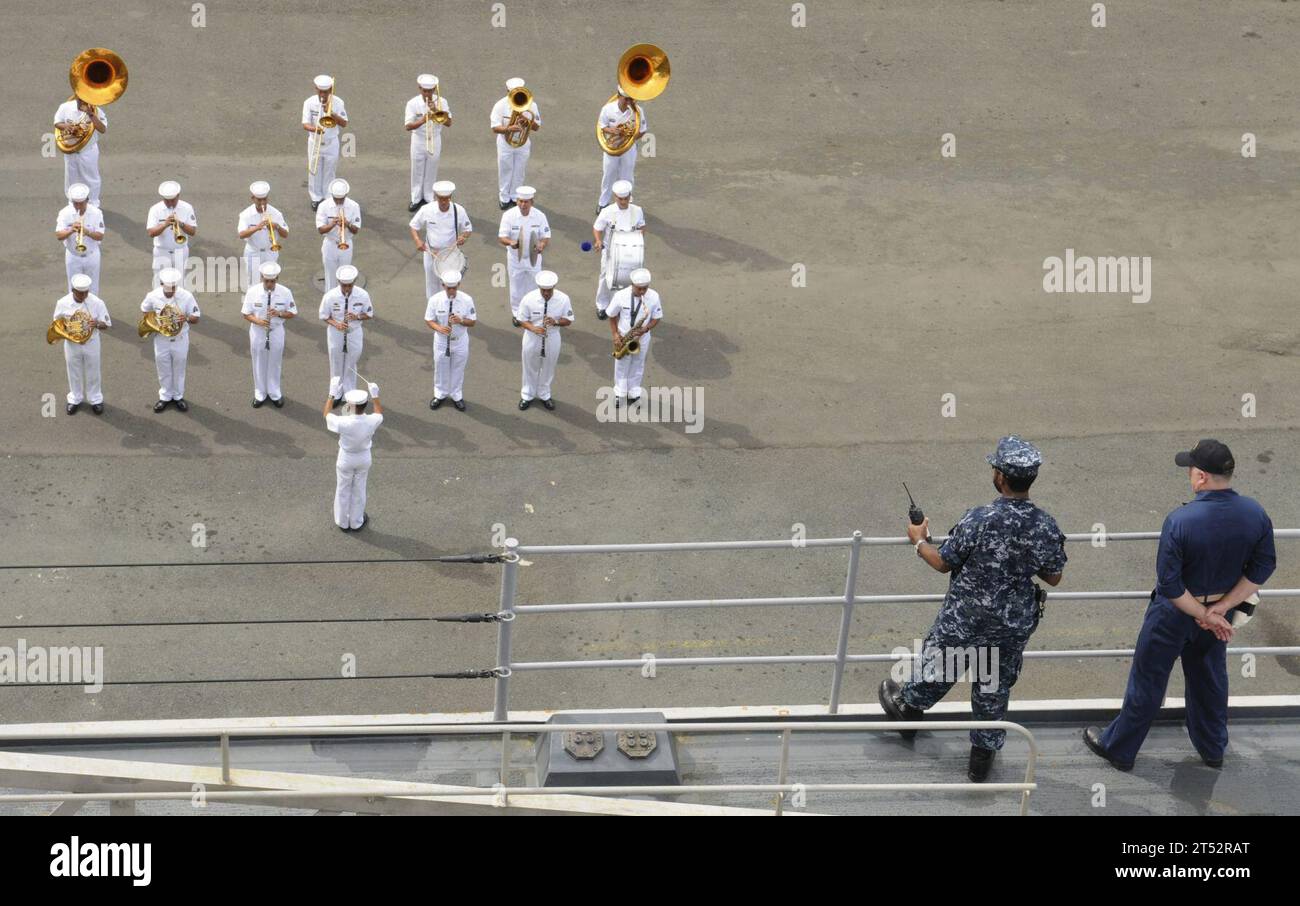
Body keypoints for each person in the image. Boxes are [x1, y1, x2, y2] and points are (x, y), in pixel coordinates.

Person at [879, 436, 1067, 782]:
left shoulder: (979, 518)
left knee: (944, 665)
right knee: (993, 682)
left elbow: (943, 562)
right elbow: (1053, 576)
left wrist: (919, 540)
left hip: (967, 618)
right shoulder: (1045, 524)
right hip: (1012, 623)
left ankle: (909, 707)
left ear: (1000, 477)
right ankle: (982, 756)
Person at [1084, 440, 1276, 771]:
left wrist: (1202, 612)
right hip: (1221, 615)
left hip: (1174, 614)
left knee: (1149, 679)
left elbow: (1170, 584)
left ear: (1200, 477)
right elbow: (1262, 568)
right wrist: (1219, 611)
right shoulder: (1255, 513)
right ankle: (1213, 748)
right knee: (1209, 679)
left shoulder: (1181, 520)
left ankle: (1120, 749)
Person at [324, 382, 383, 532]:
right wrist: (375, 396)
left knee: (343, 489)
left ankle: (342, 522)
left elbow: (327, 415)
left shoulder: (343, 422)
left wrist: (331, 394)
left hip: (346, 458)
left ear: (350, 405)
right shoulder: (371, 420)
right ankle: (356, 522)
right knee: (359, 488)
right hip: (363, 458)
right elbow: (379, 413)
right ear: (364, 405)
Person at [140, 267, 200, 412]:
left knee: (179, 369)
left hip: (180, 339)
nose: (171, 292)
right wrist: (156, 321)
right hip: (161, 339)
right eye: (168, 289)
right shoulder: (152, 295)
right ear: (161, 284)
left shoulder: (186, 296)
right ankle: (165, 396)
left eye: (173, 288)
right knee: (163, 368)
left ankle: (178, 396)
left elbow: (196, 316)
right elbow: (144, 309)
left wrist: (185, 317)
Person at [52, 273, 111, 415]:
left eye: (86, 293)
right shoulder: (62, 303)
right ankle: (75, 398)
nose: (84, 296)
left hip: (91, 343)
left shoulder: (97, 302)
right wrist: (69, 327)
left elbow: (107, 324)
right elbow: (56, 324)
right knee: (73, 371)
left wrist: (97, 323)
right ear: (73, 290)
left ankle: (95, 399)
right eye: (80, 293)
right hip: (72, 344)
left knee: (93, 371)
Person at [240, 261, 297, 408]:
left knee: (275, 362)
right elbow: (246, 313)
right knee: (258, 362)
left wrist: (279, 313)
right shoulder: (253, 292)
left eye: (272, 281)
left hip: (276, 331)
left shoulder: (285, 292)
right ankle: (259, 393)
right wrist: (258, 321)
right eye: (266, 281)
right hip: (258, 331)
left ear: (277, 279)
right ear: (261, 278)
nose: (269, 284)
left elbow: (292, 313)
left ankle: (275, 392)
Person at [605, 267, 662, 407]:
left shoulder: (653, 296)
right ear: (632, 285)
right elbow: (611, 316)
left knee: (638, 364)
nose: (642, 292)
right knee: (622, 365)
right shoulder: (620, 295)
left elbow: (656, 317)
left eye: (645, 288)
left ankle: (634, 392)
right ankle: (620, 392)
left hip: (642, 338)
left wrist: (646, 328)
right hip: (624, 336)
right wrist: (615, 335)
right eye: (639, 288)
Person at [517, 270, 573, 410]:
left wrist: (556, 322)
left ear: (553, 287)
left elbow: (568, 320)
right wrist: (533, 328)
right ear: (539, 287)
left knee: (549, 366)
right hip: (532, 337)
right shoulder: (528, 298)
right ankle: (527, 394)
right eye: (543, 290)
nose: (546, 293)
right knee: (529, 366)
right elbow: (521, 319)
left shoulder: (563, 299)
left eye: (549, 290)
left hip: (552, 337)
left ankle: (544, 394)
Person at [319, 265, 373, 406]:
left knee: (351, 363)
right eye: (344, 286)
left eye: (349, 285)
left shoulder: (362, 295)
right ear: (339, 282)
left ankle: (349, 392)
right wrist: (335, 324)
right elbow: (324, 316)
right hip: (336, 333)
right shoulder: (330, 296)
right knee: (336, 362)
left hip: (354, 332)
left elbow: (369, 314)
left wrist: (357, 316)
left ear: (354, 282)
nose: (347, 289)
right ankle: (336, 393)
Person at [409, 180, 471, 303]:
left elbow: (468, 229)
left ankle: (450, 309)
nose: (443, 202)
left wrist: (464, 237)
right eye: (441, 199)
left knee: (449, 284)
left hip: (451, 254)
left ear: (450, 197)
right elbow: (413, 225)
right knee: (431, 284)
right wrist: (417, 240)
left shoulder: (458, 210)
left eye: (446, 199)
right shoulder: (426, 209)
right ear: (436, 197)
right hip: (431, 253)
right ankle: (433, 310)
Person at [591, 179, 645, 319]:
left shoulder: (637, 211)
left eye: (626, 199)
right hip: (610, 251)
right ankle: (602, 305)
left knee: (627, 279)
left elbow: (641, 227)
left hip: (631, 251)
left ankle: (621, 306)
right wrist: (598, 241)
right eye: (620, 199)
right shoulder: (607, 211)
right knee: (605, 278)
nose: (623, 201)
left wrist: (637, 241)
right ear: (615, 197)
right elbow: (597, 228)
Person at [497, 185, 550, 324]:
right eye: (520, 201)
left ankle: (533, 313)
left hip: (534, 257)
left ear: (532, 202)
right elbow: (502, 237)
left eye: (526, 202)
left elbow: (546, 236)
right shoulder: (509, 215)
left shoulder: (539, 216)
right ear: (516, 201)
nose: (523, 204)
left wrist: (542, 245)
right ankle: (517, 314)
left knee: (535, 285)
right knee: (516, 287)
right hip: (515, 259)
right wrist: (510, 242)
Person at [424, 269, 475, 411]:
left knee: (458, 368)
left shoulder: (467, 300)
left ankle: (456, 395)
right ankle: (440, 394)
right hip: (441, 341)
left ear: (459, 285)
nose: (451, 291)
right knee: (441, 368)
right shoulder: (435, 300)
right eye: (448, 288)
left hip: (460, 341)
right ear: (443, 285)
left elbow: (472, 322)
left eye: (454, 287)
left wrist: (461, 321)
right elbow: (429, 319)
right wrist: (439, 328)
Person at [490, 77, 540, 210]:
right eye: (513, 92)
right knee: (505, 169)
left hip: (522, 143)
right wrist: (508, 129)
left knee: (519, 170)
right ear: (507, 91)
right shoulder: (500, 105)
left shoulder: (531, 105)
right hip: (505, 143)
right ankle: (504, 197)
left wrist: (526, 121)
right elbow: (495, 128)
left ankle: (515, 196)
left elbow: (536, 127)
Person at [405, 74, 452, 212]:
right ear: (419, 89)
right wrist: (422, 120)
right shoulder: (412, 103)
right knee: (417, 169)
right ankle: (416, 198)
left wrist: (436, 111)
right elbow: (408, 126)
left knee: (432, 167)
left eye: (430, 91)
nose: (427, 94)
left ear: (434, 90)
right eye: (424, 91)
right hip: (419, 139)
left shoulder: (442, 102)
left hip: (435, 138)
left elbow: (449, 123)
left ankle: (428, 197)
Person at [596, 86, 647, 212]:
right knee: (608, 175)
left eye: (631, 99)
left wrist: (629, 136)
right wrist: (611, 130)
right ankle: (603, 203)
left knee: (627, 176)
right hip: (611, 147)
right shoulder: (607, 109)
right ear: (619, 96)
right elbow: (602, 126)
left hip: (628, 149)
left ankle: (627, 202)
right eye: (626, 99)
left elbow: (642, 131)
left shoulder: (638, 111)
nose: (629, 102)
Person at [304, 74, 348, 210]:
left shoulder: (338, 102)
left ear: (331, 90)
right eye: (320, 91)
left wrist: (332, 114)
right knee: (314, 170)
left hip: (331, 142)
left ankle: (328, 196)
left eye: (326, 91)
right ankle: (315, 197)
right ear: (316, 89)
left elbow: (344, 123)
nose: (323, 94)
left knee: (330, 170)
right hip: (315, 142)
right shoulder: (309, 102)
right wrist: (315, 129)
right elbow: (305, 124)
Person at [54, 93, 107, 206]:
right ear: (76, 97)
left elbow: (102, 129)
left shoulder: (96, 111)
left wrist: (91, 115)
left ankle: (93, 203)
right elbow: (57, 122)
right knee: (71, 178)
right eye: (80, 99)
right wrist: (68, 127)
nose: (83, 101)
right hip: (71, 150)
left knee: (91, 178)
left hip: (88, 151)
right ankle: (72, 202)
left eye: (85, 99)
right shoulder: (65, 107)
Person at [237, 181, 288, 290]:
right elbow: (241, 234)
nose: (262, 203)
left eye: (265, 199)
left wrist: (277, 227)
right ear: (253, 199)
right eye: (259, 200)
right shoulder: (246, 214)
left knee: (271, 282)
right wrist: (256, 228)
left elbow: (285, 234)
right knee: (253, 284)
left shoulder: (275, 213)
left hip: (270, 251)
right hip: (253, 252)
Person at [55, 183, 104, 294]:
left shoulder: (96, 213)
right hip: (73, 256)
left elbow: (100, 235)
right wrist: (71, 230)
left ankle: (91, 311)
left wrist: (87, 232)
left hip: (92, 255)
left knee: (92, 288)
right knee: (74, 288)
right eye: (75, 204)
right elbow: (58, 235)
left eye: (81, 204)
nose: (78, 207)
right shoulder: (65, 213)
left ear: (87, 200)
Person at [316, 178, 361, 292]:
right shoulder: (323, 206)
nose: (339, 202)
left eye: (341, 199)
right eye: (336, 199)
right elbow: (321, 229)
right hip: (330, 244)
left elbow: (355, 230)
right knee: (330, 277)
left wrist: (348, 224)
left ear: (346, 194)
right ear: (332, 195)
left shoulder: (354, 206)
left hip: (346, 244)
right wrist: (331, 224)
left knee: (345, 276)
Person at [146, 181, 196, 282]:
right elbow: (151, 233)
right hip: (161, 252)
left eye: (172, 200)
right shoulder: (155, 209)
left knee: (180, 283)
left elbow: (192, 231)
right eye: (167, 201)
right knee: (159, 283)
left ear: (178, 196)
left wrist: (180, 224)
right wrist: (165, 224)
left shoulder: (187, 208)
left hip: (180, 251)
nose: (170, 203)